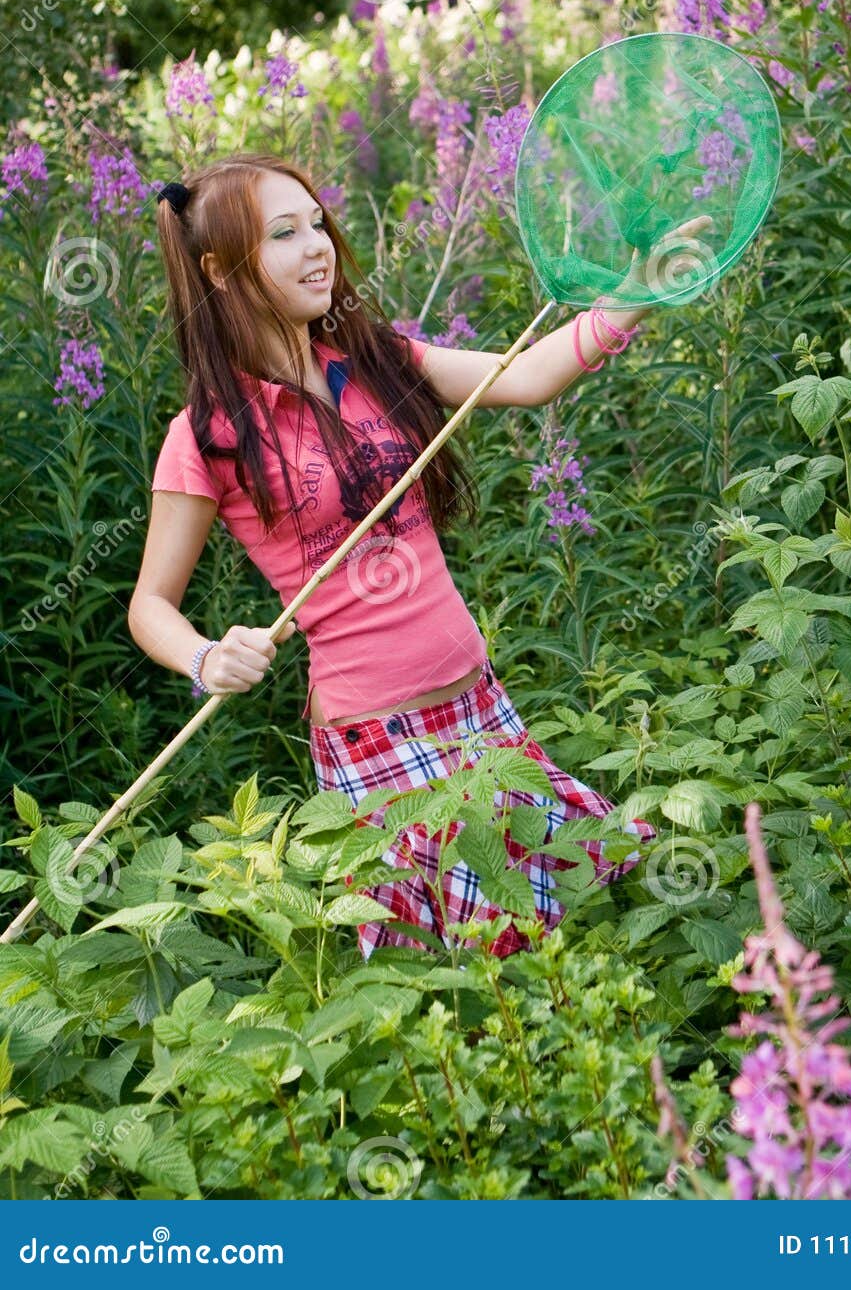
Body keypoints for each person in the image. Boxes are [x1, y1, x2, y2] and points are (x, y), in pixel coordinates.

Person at [128, 151, 664, 960]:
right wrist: (205, 657)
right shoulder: (207, 435)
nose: (318, 247)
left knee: (573, 935)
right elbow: (148, 608)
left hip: (478, 707)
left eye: (318, 225)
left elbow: (526, 377)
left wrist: (640, 288)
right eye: (284, 234)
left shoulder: (377, 360)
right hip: (377, 737)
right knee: (466, 978)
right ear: (222, 271)